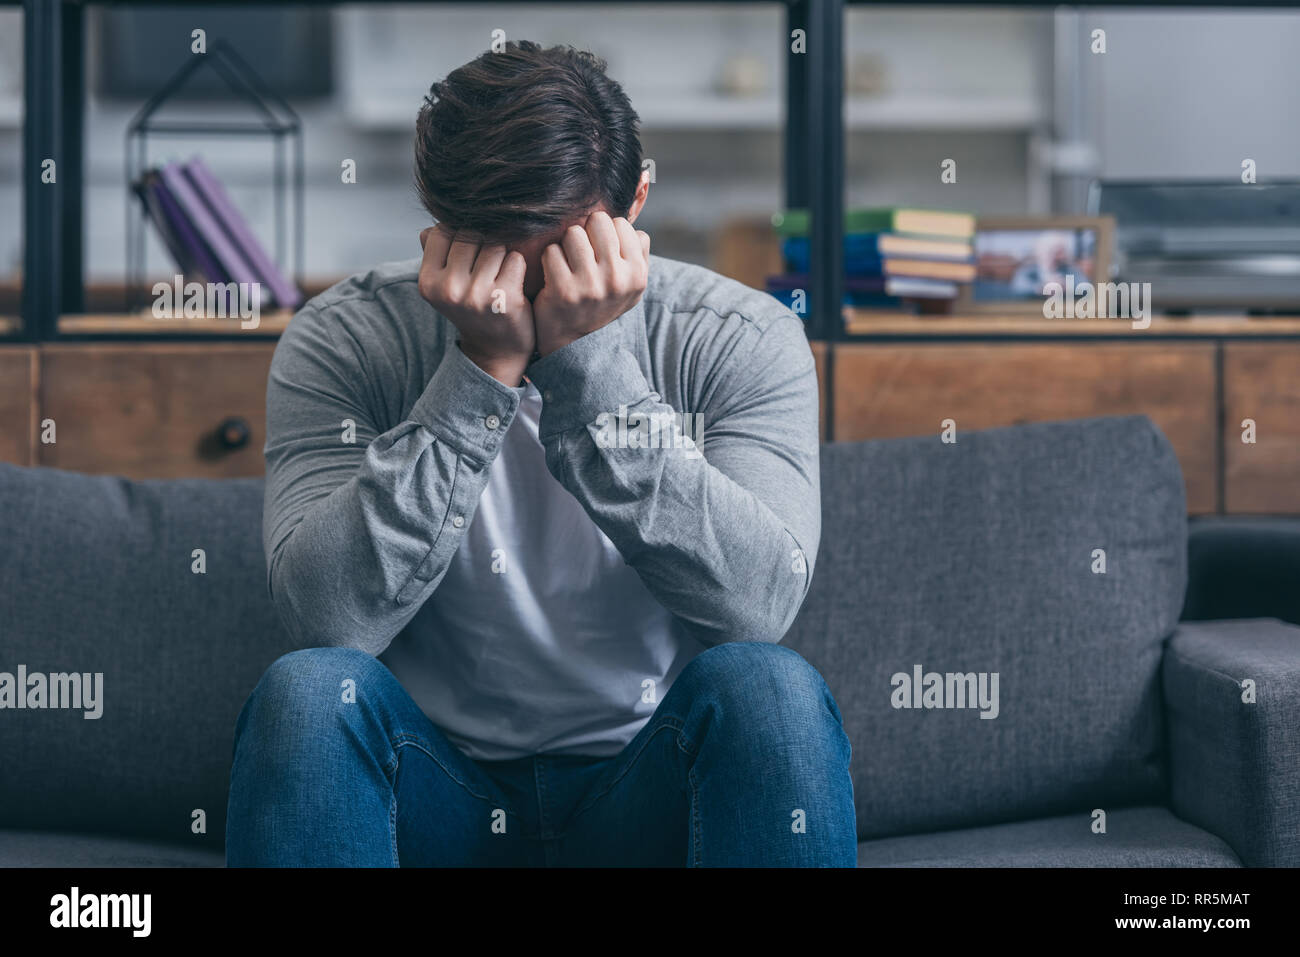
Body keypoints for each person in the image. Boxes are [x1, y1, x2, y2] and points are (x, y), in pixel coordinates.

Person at [227, 40, 855, 867]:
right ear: (437, 224)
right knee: (308, 695)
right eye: (499, 258)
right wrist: (479, 373)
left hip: (649, 786)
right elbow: (326, 621)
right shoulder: (346, 339)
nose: (534, 293)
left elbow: (757, 608)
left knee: (768, 690)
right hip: (433, 791)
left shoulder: (735, 338)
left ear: (636, 201)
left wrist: (587, 364)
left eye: (564, 256)